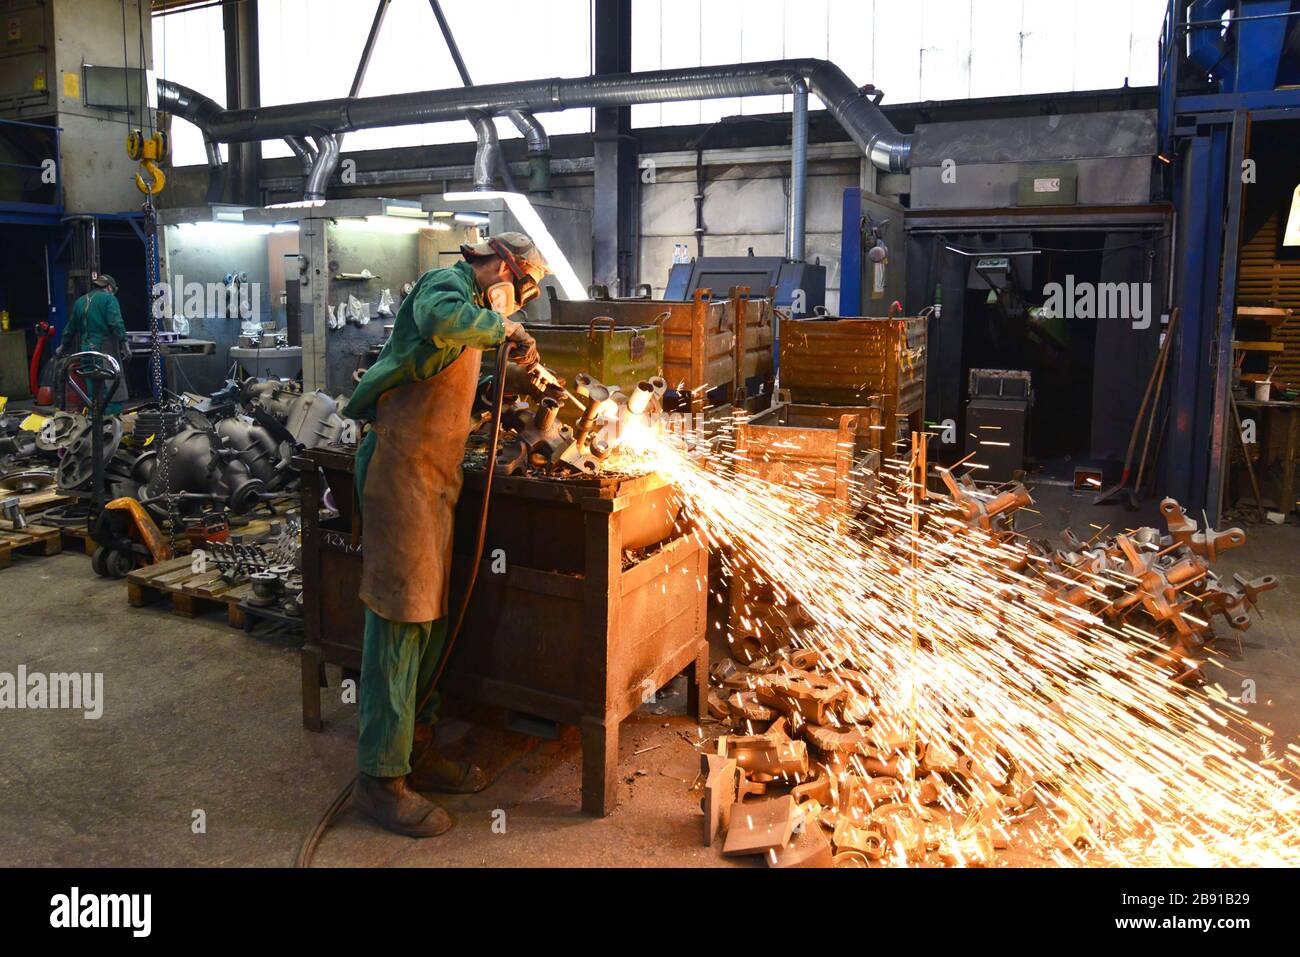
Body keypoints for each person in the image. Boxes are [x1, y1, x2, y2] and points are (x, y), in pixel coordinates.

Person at [342, 231, 548, 838]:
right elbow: (438, 320)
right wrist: (502, 331)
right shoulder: (448, 288)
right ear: (502, 268)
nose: (522, 303)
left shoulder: (476, 315)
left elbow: (449, 373)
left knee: (429, 620)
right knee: (401, 619)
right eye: (524, 285)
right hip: (400, 468)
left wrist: (501, 380)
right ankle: (379, 781)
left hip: (436, 477)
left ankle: (417, 750)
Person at [60, 274, 131, 415]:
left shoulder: (80, 302)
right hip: (105, 350)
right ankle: (111, 424)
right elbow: (116, 322)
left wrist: (62, 346)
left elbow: (70, 328)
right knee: (111, 391)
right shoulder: (109, 298)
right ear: (109, 287)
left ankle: (95, 425)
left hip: (86, 350)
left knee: (93, 393)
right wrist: (125, 345)